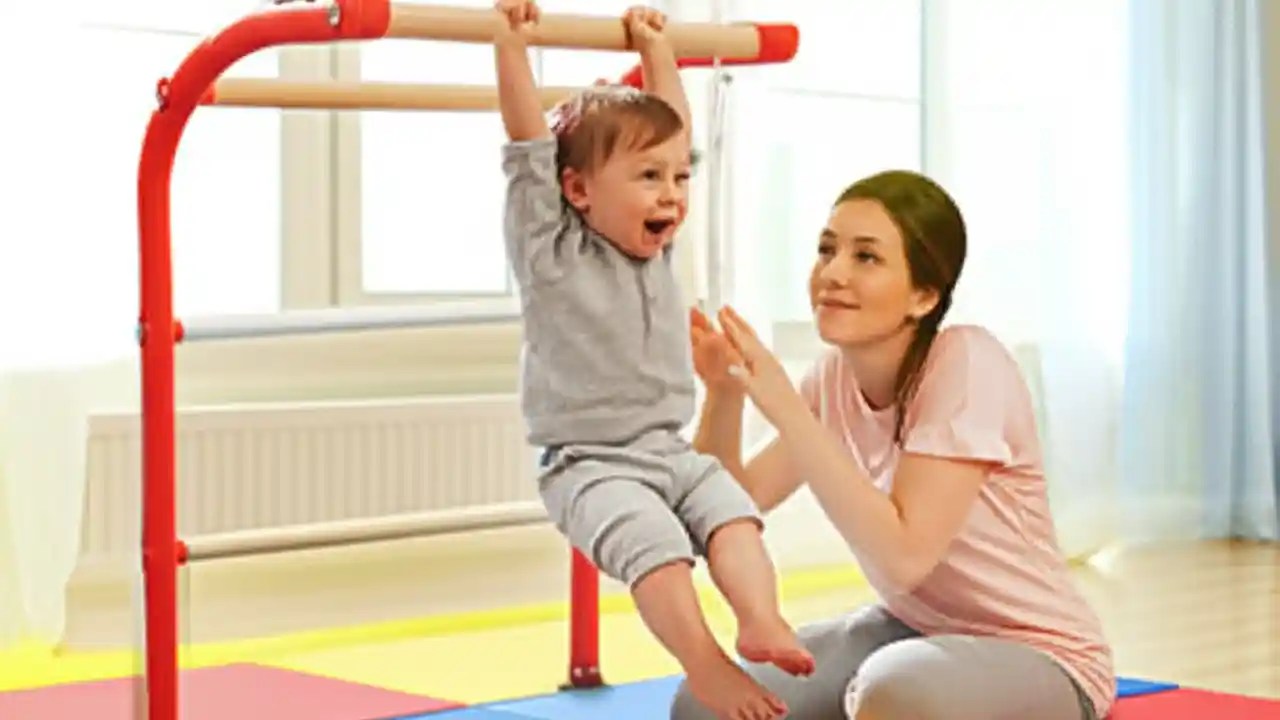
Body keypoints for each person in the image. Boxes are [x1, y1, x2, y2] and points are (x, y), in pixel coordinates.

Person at [671, 170, 1116, 719]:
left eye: (866, 257)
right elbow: (731, 503)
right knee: (707, 704)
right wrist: (725, 392)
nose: (832, 273)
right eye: (827, 249)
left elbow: (903, 557)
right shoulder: (833, 378)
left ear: (924, 296)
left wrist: (783, 405)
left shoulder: (967, 362)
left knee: (896, 692)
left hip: (1042, 654)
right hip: (916, 629)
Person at [492, 2, 814, 717]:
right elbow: (524, 146)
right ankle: (706, 664)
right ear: (577, 191)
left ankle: (758, 619)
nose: (670, 194)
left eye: (678, 180)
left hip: (669, 451)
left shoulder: (656, 245)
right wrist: (510, 45)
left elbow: (676, 128)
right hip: (586, 463)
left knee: (735, 518)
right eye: (648, 178)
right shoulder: (552, 252)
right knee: (659, 547)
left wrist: (658, 49)